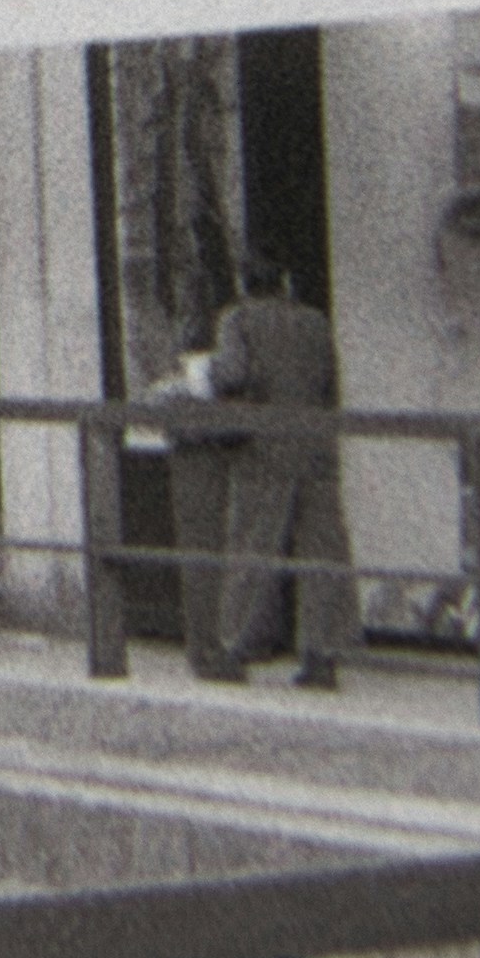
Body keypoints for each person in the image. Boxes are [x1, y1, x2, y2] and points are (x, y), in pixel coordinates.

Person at [176, 255, 352, 688]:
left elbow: (233, 372)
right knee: (322, 551)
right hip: (315, 447)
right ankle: (321, 656)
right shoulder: (315, 322)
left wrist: (201, 372)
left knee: (253, 546)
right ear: (285, 281)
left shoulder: (239, 319)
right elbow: (331, 385)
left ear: (244, 282)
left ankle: (235, 648)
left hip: (263, 449)